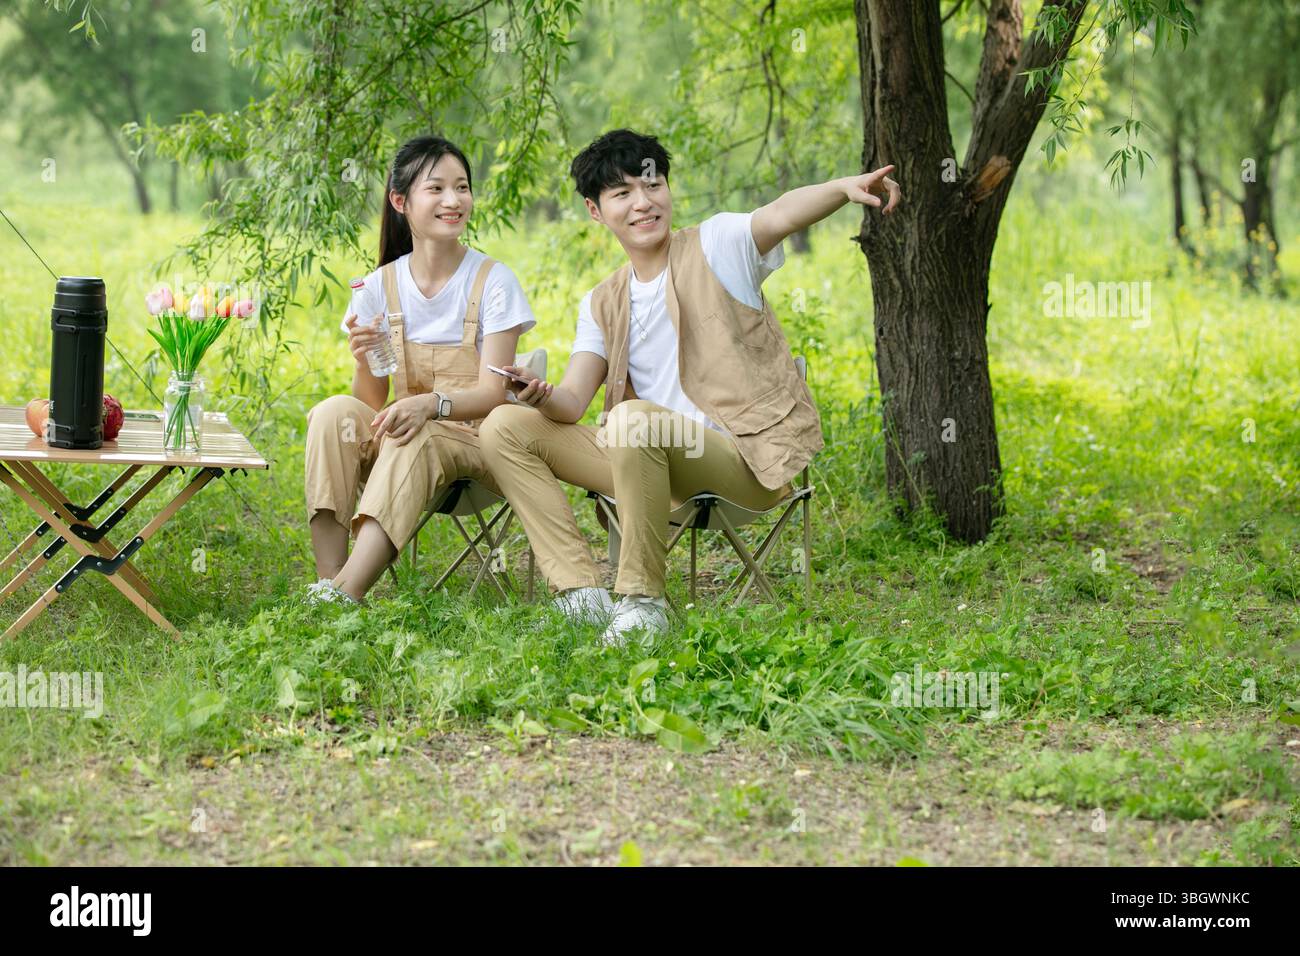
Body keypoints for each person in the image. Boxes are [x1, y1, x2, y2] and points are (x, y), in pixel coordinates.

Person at [479, 128, 900, 645]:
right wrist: (538, 394)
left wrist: (841, 188)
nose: (643, 202)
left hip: (734, 460)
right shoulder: (602, 300)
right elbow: (571, 403)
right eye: (622, 193)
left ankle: (641, 603)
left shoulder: (717, 245)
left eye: (652, 184)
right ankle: (581, 595)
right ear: (595, 210)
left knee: (631, 419)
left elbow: (780, 213)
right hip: (642, 462)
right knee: (504, 426)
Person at [304, 135, 536, 604]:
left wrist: (430, 406)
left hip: (477, 443)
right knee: (332, 413)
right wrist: (365, 356)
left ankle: (346, 594)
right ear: (400, 201)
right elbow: (369, 403)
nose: (454, 201)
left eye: (462, 187)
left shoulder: (494, 281)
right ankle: (326, 584)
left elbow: (495, 394)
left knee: (421, 433)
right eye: (437, 189)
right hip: (401, 433)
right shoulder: (375, 286)